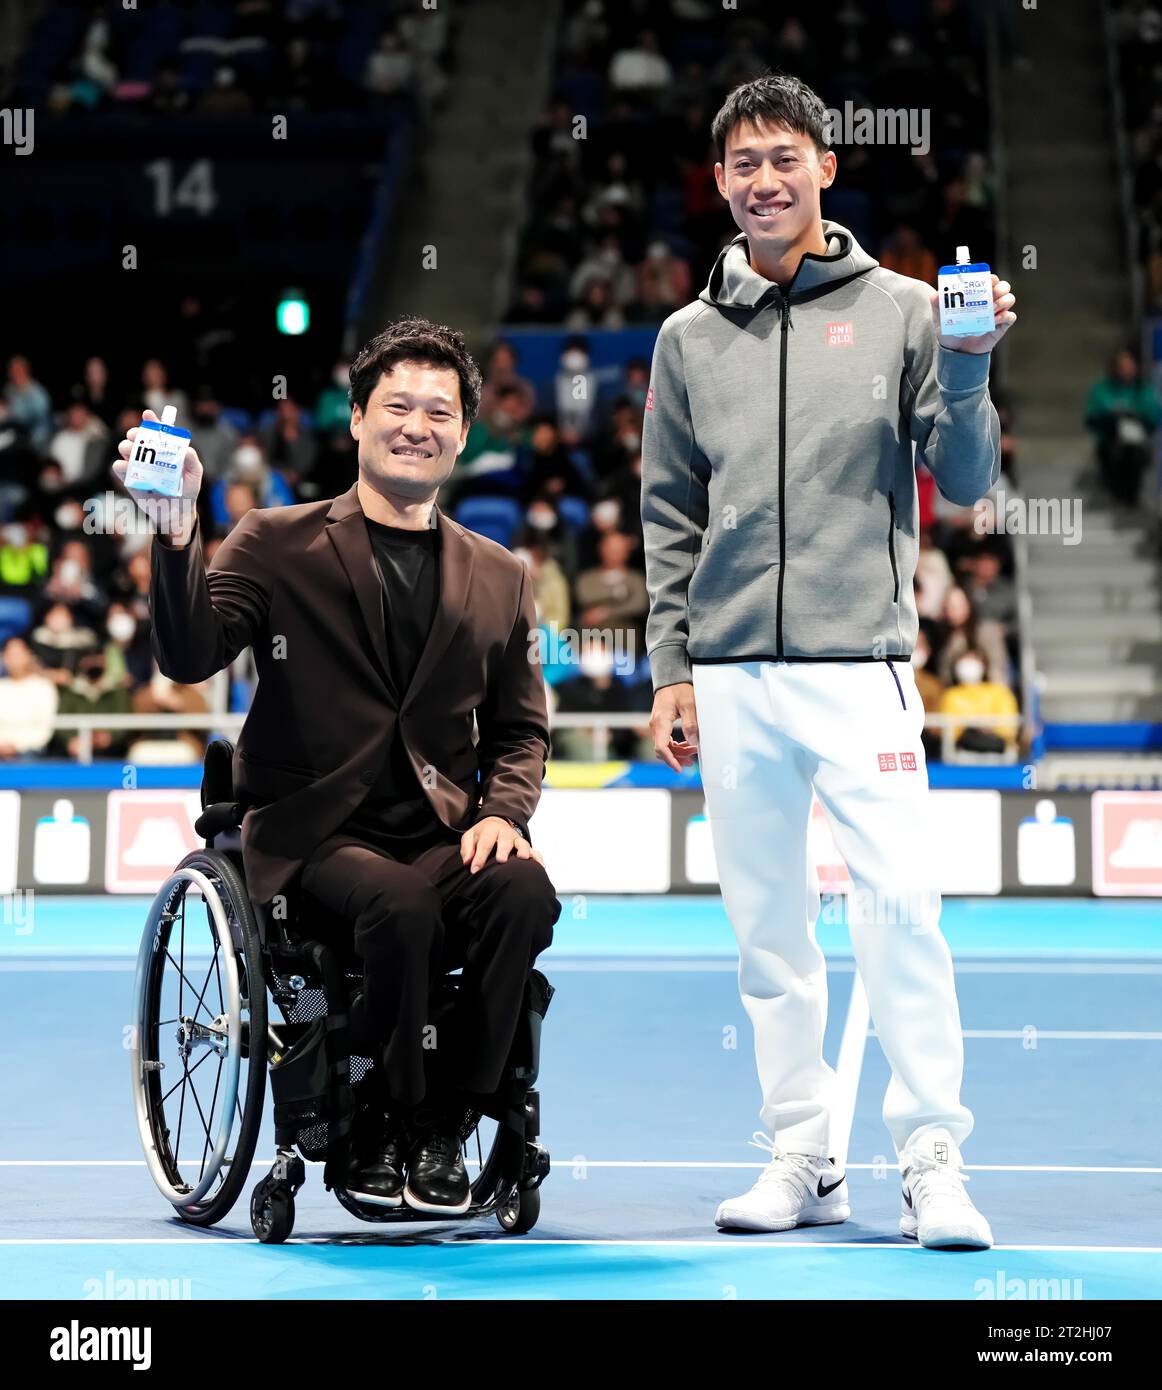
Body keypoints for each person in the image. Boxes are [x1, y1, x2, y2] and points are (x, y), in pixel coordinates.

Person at [641, 74, 1015, 1250]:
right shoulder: (686, 338)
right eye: (742, 163)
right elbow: (666, 511)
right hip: (733, 670)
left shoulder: (905, 310)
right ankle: (803, 1153)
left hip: (860, 669)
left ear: (823, 169)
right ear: (721, 182)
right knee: (768, 931)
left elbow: (962, 482)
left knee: (902, 911)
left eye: (783, 158)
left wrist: (967, 366)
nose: (762, 180)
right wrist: (670, 667)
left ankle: (930, 1157)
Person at [113, 317, 560, 1217]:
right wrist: (174, 534)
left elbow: (520, 731)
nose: (417, 424)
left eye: (440, 411)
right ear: (356, 418)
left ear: (464, 434)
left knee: (524, 895)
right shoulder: (277, 540)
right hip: (311, 832)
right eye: (396, 405)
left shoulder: (499, 574)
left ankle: (445, 1125)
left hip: (438, 829)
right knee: (399, 907)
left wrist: (502, 813)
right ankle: (376, 1128)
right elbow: (190, 652)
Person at [1083, 348, 1160, 507]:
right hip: (1110, 442)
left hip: (1137, 444)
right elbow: (1092, 416)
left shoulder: (1142, 389)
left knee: (1133, 454)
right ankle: (1115, 492)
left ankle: (1131, 497)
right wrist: (1112, 414)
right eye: (1122, 366)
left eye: (1130, 366)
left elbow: (1154, 415)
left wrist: (1136, 414)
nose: (1126, 370)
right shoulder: (1103, 388)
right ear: (1114, 368)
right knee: (1116, 455)